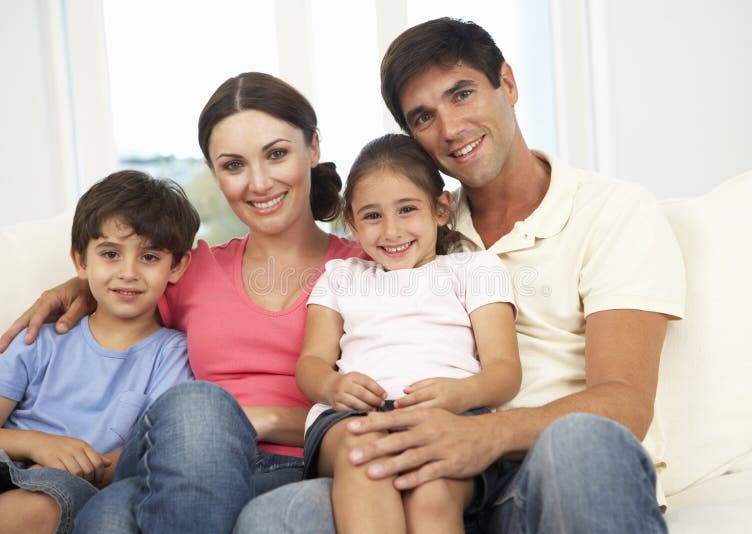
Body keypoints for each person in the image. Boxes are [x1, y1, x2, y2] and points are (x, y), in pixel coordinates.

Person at [233, 17, 686, 534]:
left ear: (508, 85)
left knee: (581, 443)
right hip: (415, 454)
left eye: (463, 94)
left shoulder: (613, 212)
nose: (449, 129)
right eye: (423, 117)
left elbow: (624, 403)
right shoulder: (415, 235)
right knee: (276, 516)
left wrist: (484, 437)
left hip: (541, 471)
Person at [0, 72, 364, 533]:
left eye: (276, 154)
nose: (258, 182)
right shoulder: (193, 271)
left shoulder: (370, 272)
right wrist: (72, 289)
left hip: (300, 464)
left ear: (312, 149)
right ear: (215, 175)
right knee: (189, 413)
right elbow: (125, 285)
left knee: (116, 513)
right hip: (174, 463)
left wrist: (261, 419)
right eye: (233, 165)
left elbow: (382, 400)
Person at [297, 133, 520, 533]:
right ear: (352, 222)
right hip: (352, 420)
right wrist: (332, 386)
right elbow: (311, 363)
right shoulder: (339, 277)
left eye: (407, 210)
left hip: (452, 415)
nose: (391, 231)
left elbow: (504, 371)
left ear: (439, 209)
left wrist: (461, 393)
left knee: (431, 490)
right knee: (364, 456)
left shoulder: (475, 270)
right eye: (372, 216)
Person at [0, 170, 196, 534]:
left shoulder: (171, 355)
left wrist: (75, 464)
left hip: (71, 484)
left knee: (44, 504)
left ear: (177, 266)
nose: (128, 272)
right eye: (110, 254)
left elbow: (153, 455)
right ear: (80, 261)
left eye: (149, 257)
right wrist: (37, 443)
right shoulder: (39, 340)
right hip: (9, 461)